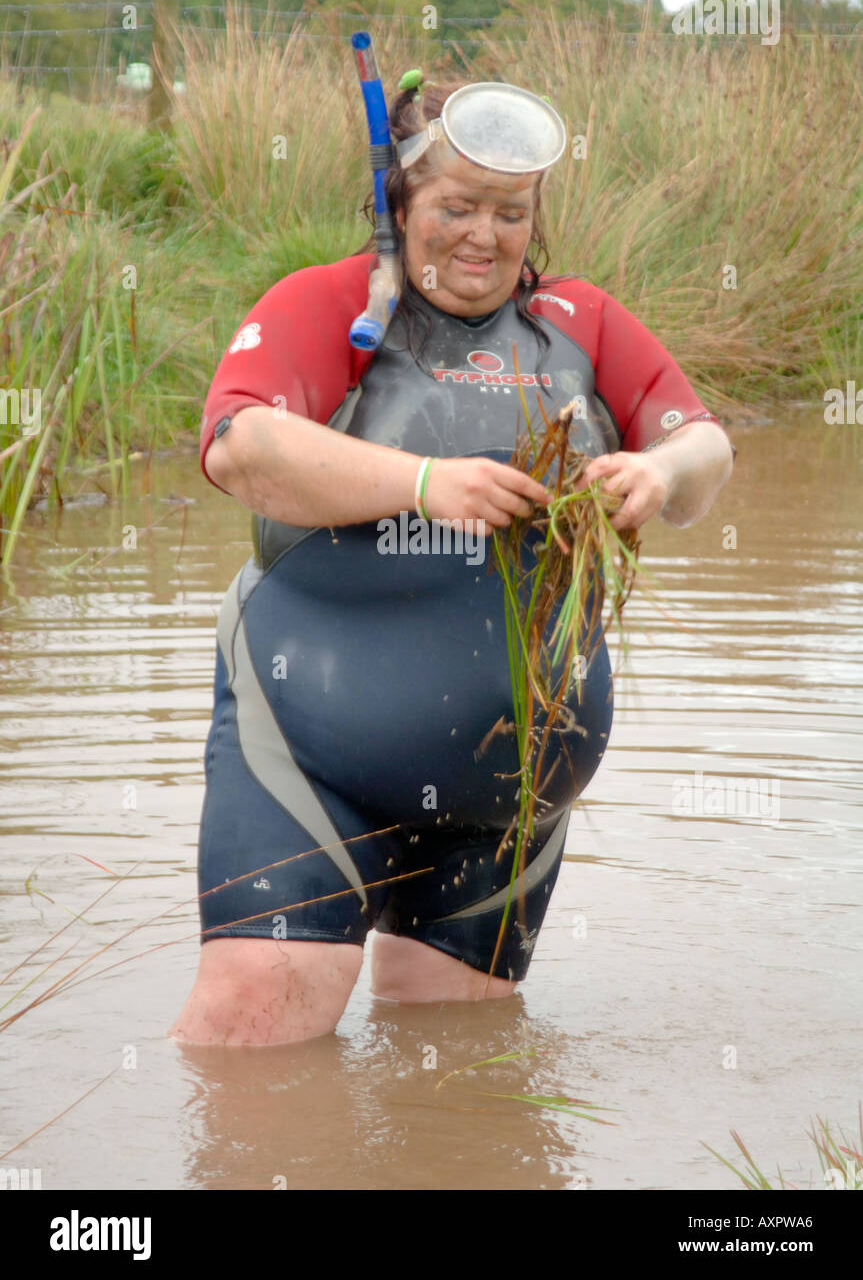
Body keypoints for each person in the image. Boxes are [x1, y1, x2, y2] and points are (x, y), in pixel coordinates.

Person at [170, 71, 734, 1047]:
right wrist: (424, 484)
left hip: (509, 796)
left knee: (459, 1076)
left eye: (508, 212)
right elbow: (241, 448)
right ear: (397, 210)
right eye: (454, 206)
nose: (482, 233)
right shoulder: (330, 305)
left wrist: (656, 470)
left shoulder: (580, 323)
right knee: (253, 1037)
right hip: (311, 757)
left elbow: (705, 448)